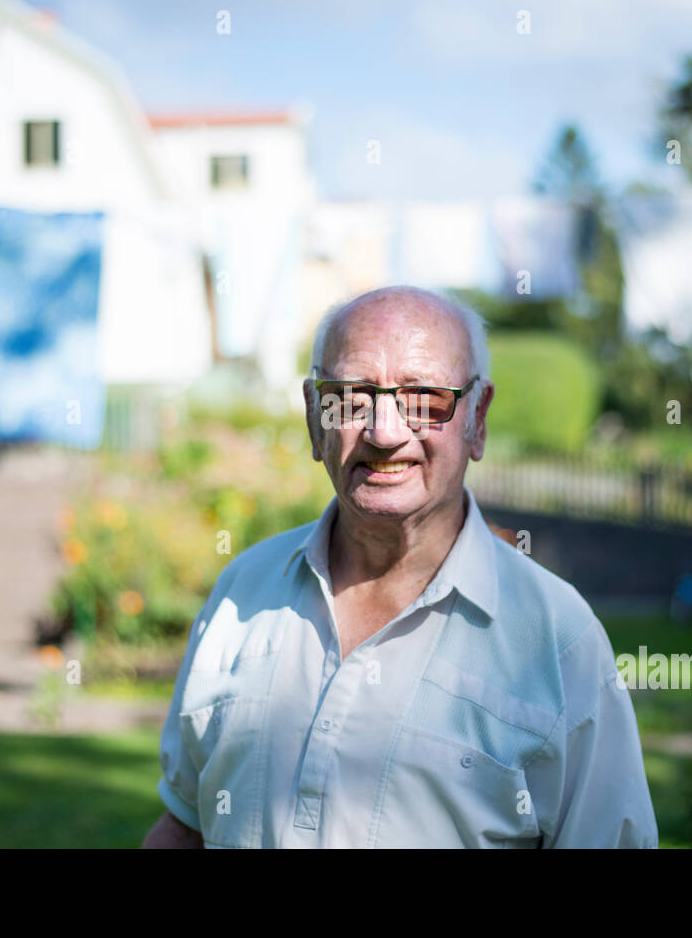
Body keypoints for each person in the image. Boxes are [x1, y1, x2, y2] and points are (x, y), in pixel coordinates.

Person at [143, 286, 657, 848]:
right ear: (316, 417)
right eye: (353, 397)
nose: (385, 432)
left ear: (477, 419)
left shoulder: (558, 640)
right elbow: (185, 827)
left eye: (425, 398)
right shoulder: (244, 590)